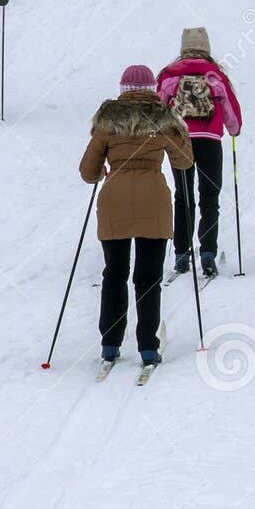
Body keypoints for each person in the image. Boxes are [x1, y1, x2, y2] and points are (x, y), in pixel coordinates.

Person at [79, 65, 194, 371]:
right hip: (153, 201)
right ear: (152, 89)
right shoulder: (163, 118)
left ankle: (110, 343)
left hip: (114, 201)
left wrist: (102, 171)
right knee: (148, 278)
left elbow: (88, 171)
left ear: (122, 90)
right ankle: (147, 347)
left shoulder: (107, 120)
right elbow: (184, 160)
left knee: (114, 274)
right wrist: (179, 129)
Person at [156, 27, 243, 278]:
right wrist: (234, 129)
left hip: (180, 141)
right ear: (207, 48)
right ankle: (207, 253)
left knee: (183, 197)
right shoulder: (216, 76)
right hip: (209, 141)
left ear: (183, 49)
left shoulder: (169, 76)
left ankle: (182, 254)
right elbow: (231, 111)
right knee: (209, 198)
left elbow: (158, 108)